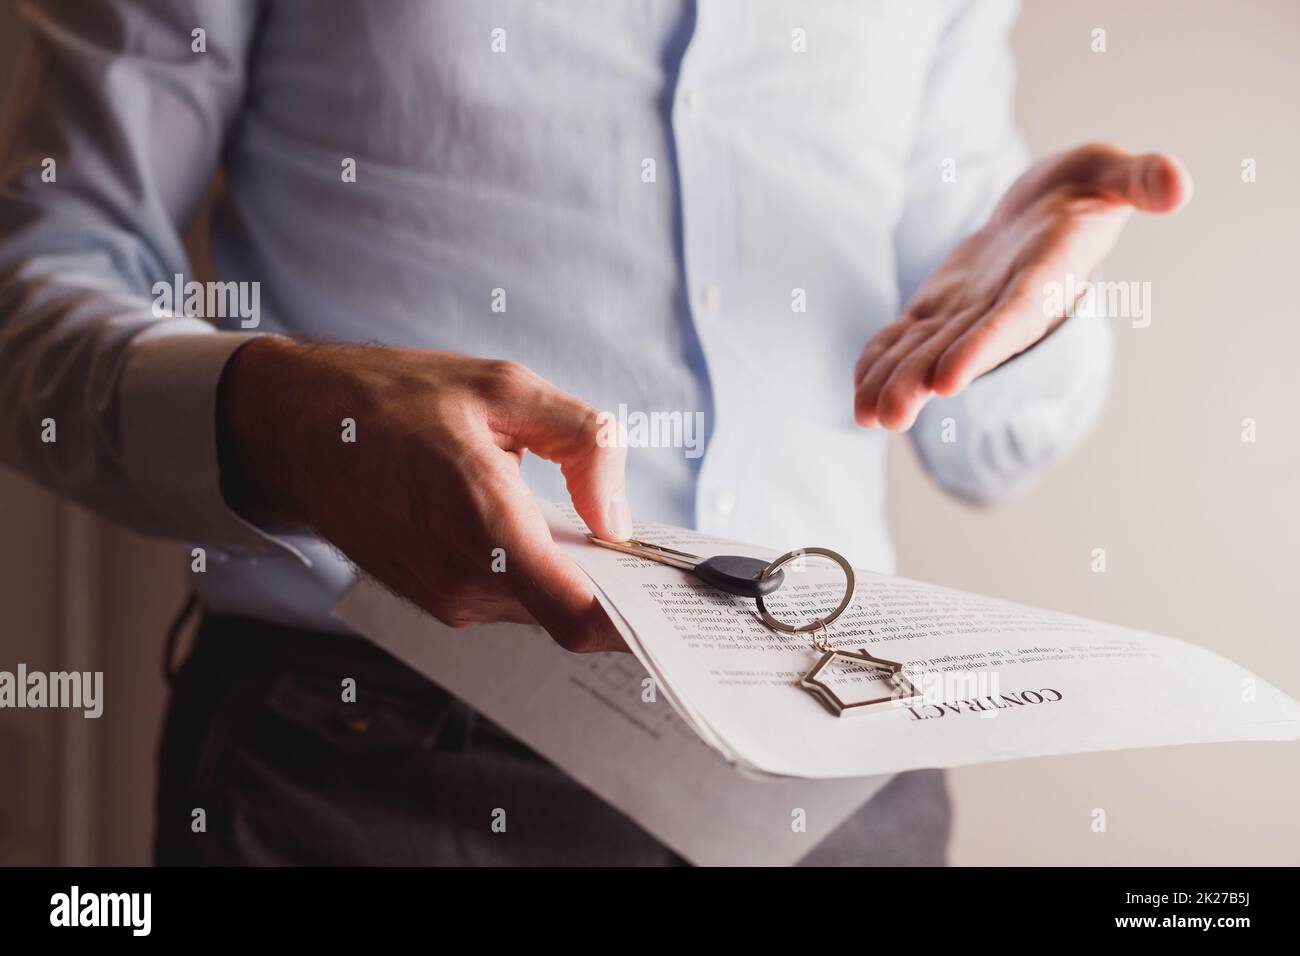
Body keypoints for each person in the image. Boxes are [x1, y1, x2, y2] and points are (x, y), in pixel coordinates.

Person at [0, 1, 1190, 865]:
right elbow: (34, 288)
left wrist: (1032, 314)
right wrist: (282, 413)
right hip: (368, 780)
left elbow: (985, 445)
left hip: (842, 781)